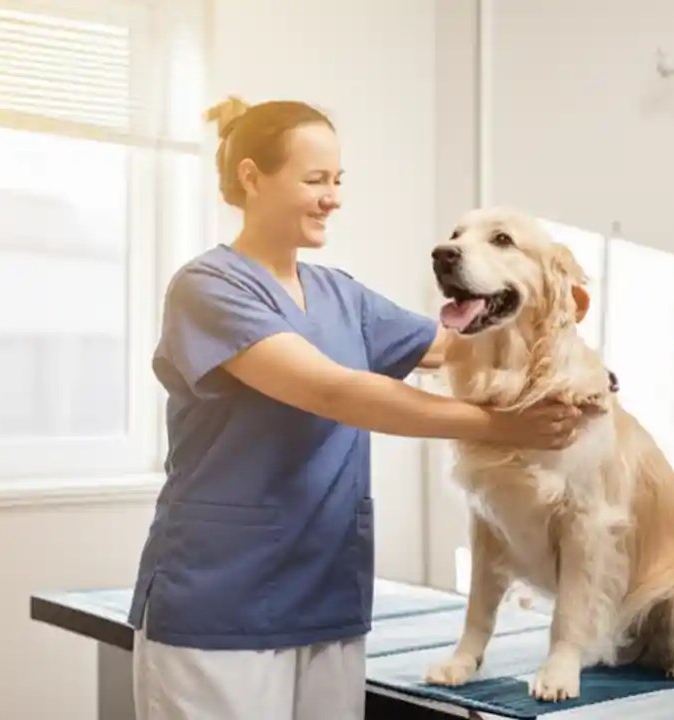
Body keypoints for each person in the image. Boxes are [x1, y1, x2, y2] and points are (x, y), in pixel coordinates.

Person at [126, 95, 595, 720]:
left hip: (325, 599)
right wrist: (504, 425)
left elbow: (459, 343)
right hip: (222, 600)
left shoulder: (340, 295)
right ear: (251, 178)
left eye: (337, 181)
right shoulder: (209, 289)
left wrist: (555, 315)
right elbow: (336, 392)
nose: (334, 197)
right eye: (316, 180)